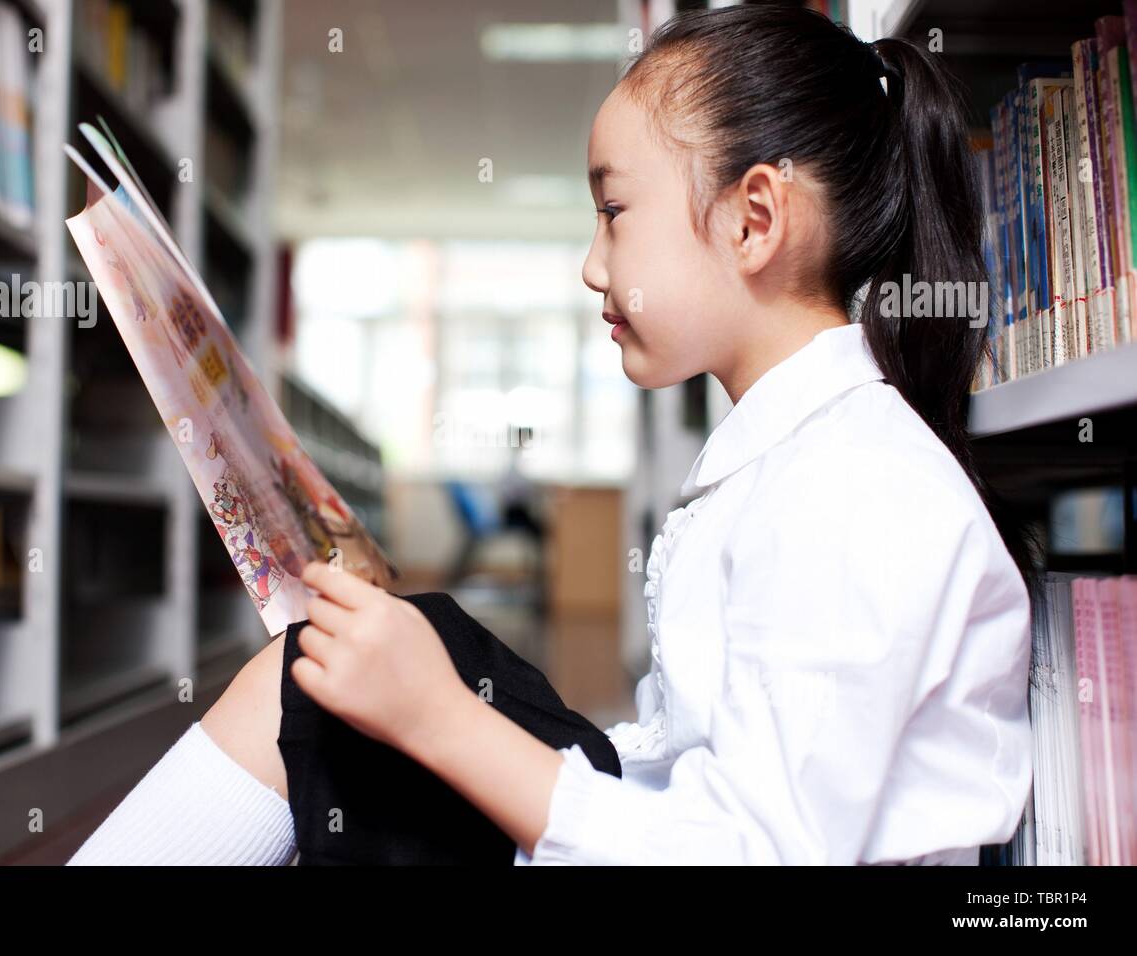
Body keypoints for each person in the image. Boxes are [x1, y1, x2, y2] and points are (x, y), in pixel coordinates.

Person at [67, 6, 1038, 866]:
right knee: (358, 661)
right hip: (651, 811)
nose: (590, 264)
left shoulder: (853, 487)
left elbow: (758, 850)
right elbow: (688, 754)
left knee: (334, 692)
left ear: (753, 220)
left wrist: (442, 720)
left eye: (615, 212)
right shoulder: (800, 455)